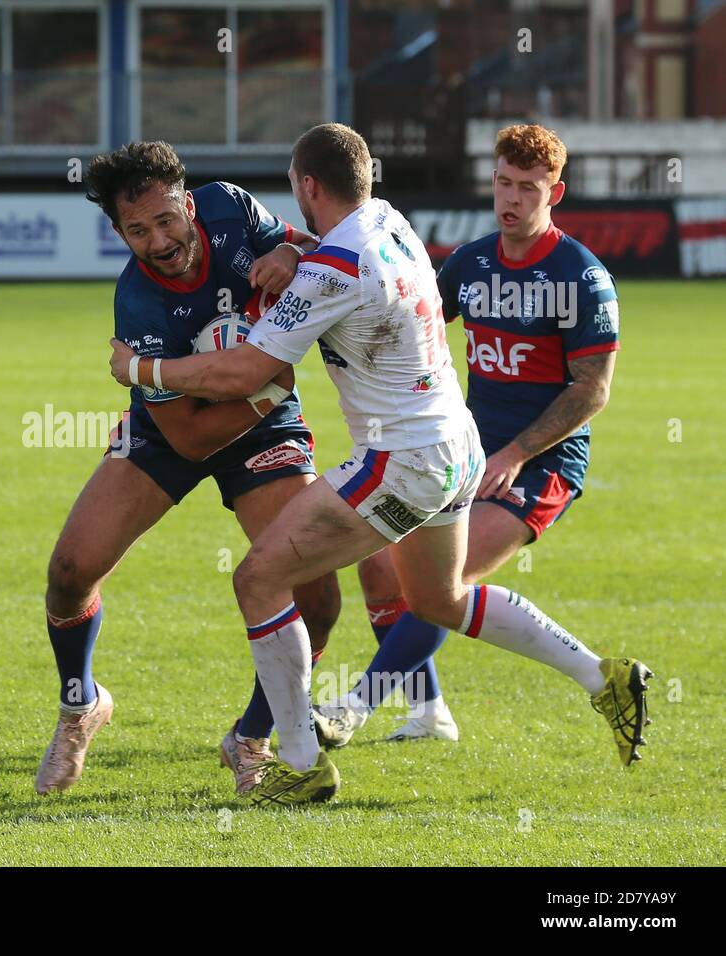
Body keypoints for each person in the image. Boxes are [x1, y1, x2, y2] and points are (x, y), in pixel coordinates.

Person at [108, 123, 651, 807]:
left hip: (403, 458)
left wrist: (141, 367)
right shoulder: (391, 222)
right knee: (438, 599)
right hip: (457, 444)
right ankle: (604, 679)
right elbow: (324, 260)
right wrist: (292, 253)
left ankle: (300, 765)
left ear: (307, 186)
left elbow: (247, 370)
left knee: (258, 578)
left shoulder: (332, 270)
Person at [36, 141, 341, 797]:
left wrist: (290, 252)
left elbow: (314, 242)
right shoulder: (138, 305)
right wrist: (266, 387)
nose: (159, 241)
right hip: (174, 429)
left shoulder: (232, 208)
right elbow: (192, 438)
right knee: (68, 573)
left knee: (316, 594)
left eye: (166, 219)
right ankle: (80, 703)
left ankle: (251, 737)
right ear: (119, 233)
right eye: (137, 231)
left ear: (189, 202)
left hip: (265, 430)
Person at [321, 123, 625, 745]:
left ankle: (351, 708)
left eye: (529, 188)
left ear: (555, 193)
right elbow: (410, 309)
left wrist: (517, 453)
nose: (512, 199)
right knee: (380, 571)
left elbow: (592, 388)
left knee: (440, 588)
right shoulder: (474, 261)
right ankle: (429, 713)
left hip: (540, 468)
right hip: (463, 455)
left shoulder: (581, 277)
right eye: (503, 183)